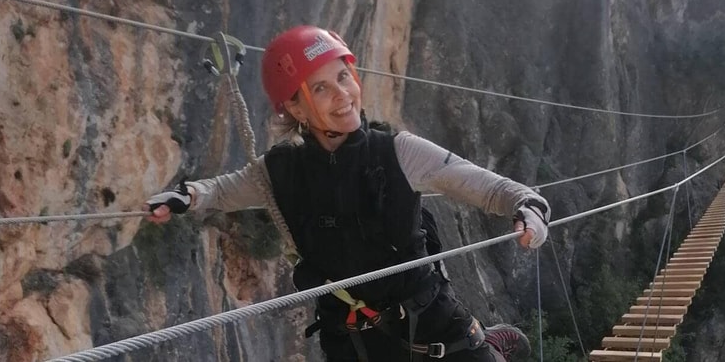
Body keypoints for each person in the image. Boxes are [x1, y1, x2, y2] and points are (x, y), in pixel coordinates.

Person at [146, 26, 549, 361]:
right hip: (353, 342)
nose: (343, 94)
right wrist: (186, 196)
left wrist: (529, 207)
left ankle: (491, 347)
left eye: (343, 77)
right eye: (320, 88)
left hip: (433, 328)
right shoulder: (280, 172)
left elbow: (494, 189)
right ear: (295, 109)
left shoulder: (398, 152)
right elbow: (221, 191)